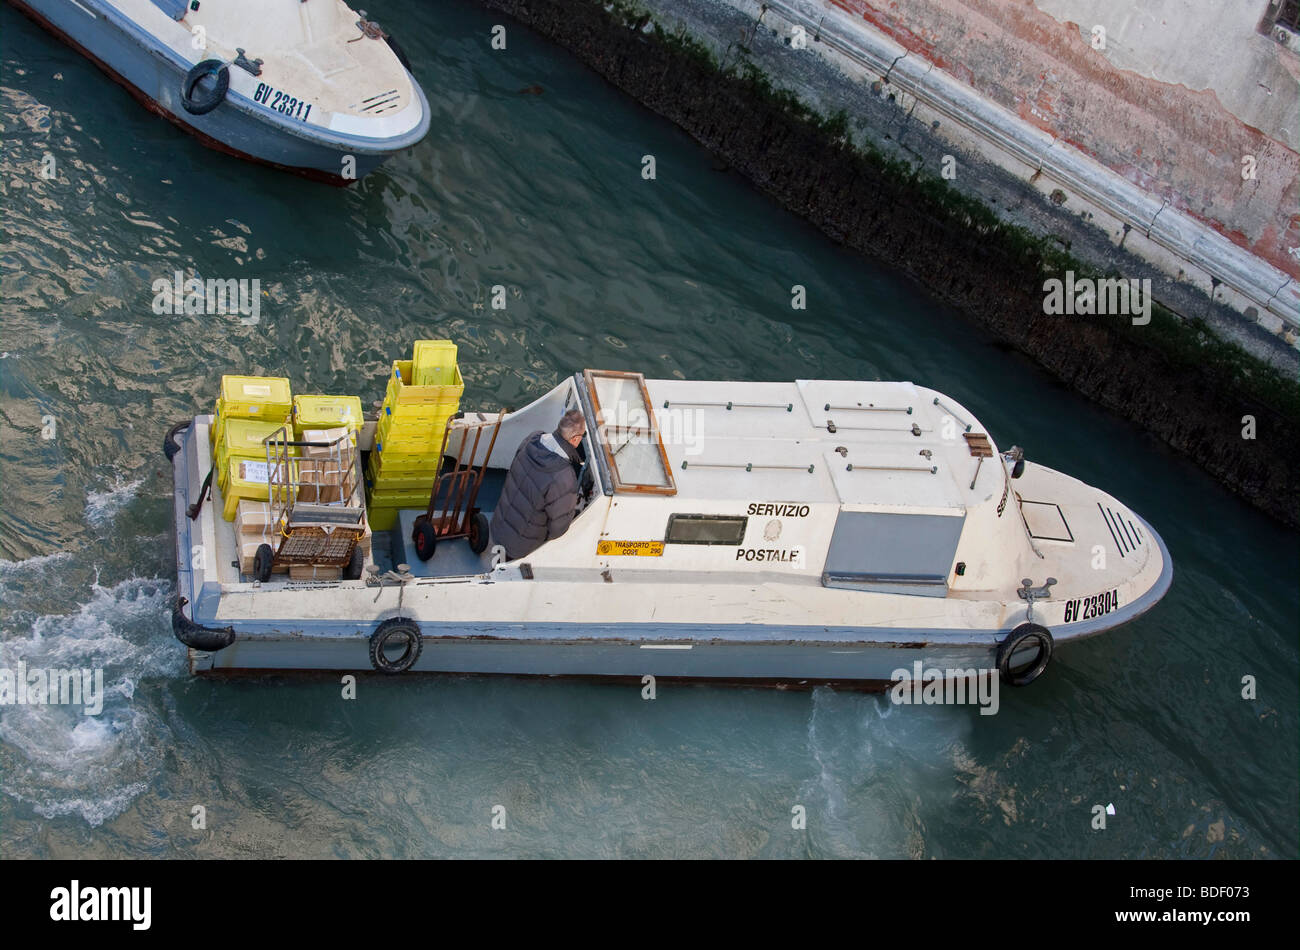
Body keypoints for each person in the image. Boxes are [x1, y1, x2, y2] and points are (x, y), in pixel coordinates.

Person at [490, 409, 586, 561]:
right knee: (504, 569)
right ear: (576, 439)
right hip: (521, 545)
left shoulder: (533, 437)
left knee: (500, 557)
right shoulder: (564, 477)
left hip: (500, 522)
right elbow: (558, 530)